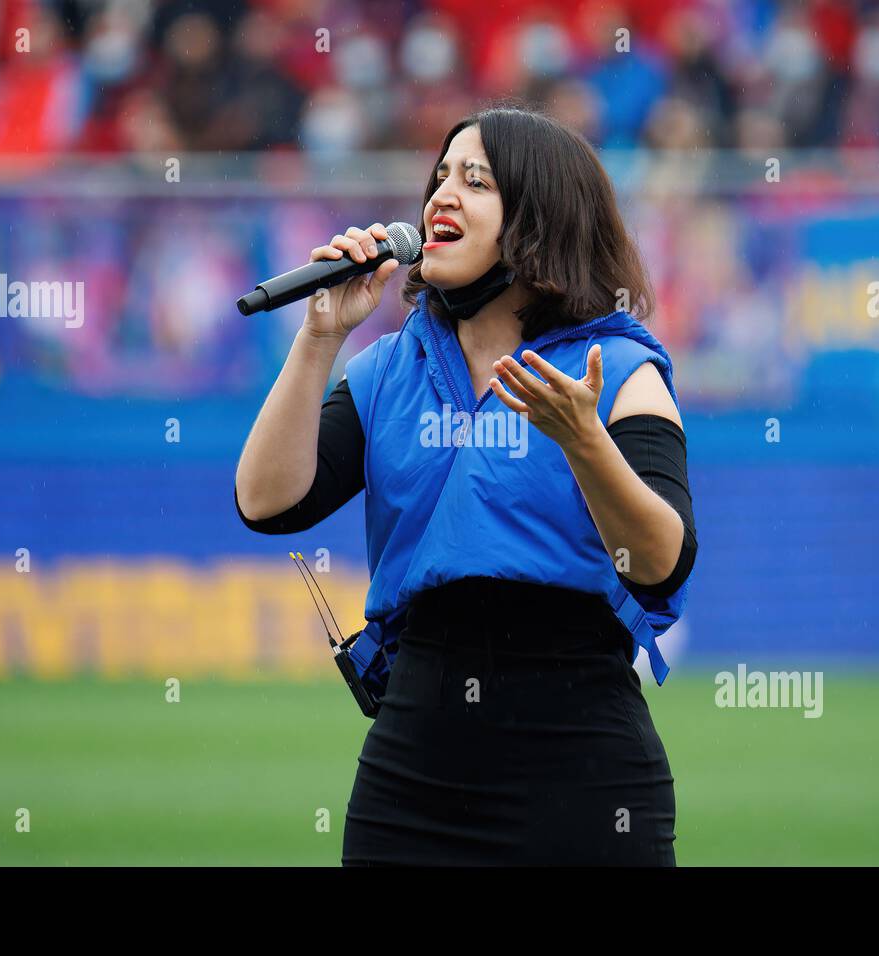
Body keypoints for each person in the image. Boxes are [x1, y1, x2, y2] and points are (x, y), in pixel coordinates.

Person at [234, 107, 697, 866]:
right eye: (440, 177)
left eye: (475, 181)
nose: (441, 196)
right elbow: (267, 502)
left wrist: (583, 439)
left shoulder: (619, 370)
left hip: (580, 767)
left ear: (540, 221)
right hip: (411, 769)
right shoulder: (386, 369)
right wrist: (320, 336)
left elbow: (660, 563)